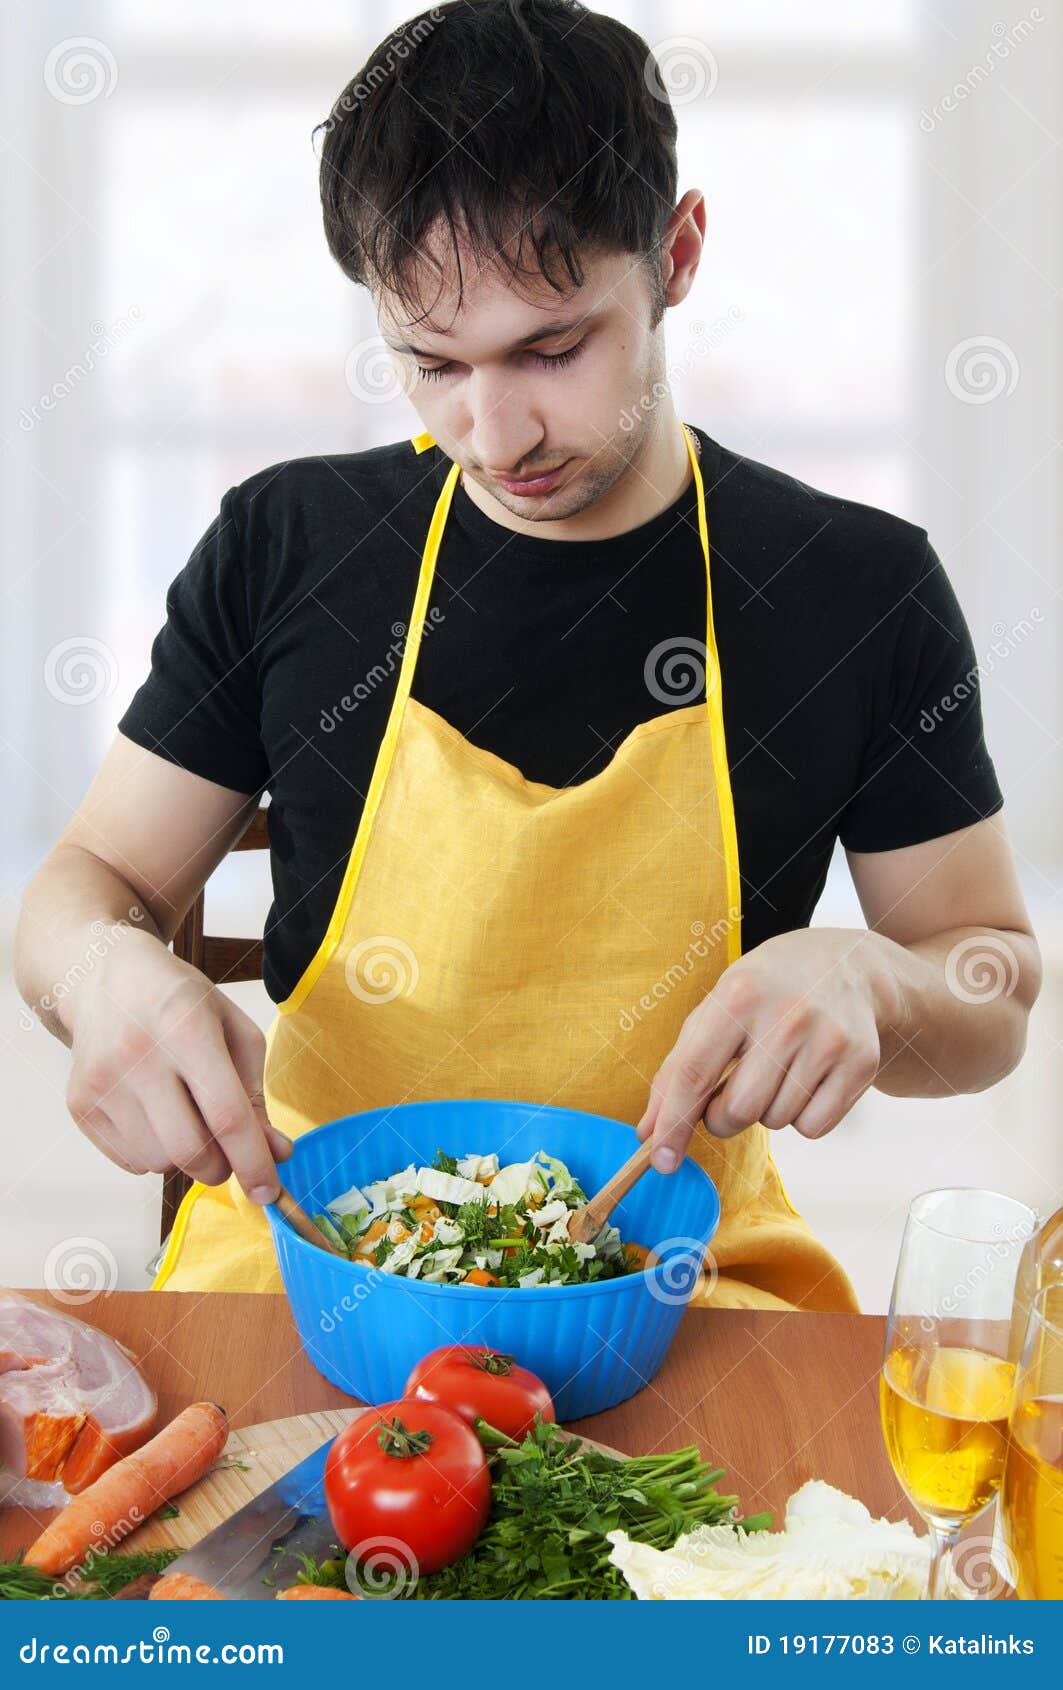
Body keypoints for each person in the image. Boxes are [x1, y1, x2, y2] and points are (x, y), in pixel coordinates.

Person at [15, 0, 1040, 1307]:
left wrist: (876, 980)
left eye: (551, 349)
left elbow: (990, 990)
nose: (496, 433)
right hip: (308, 1256)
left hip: (682, 1277)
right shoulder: (288, 542)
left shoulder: (855, 587)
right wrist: (107, 968)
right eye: (431, 363)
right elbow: (85, 883)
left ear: (678, 254)